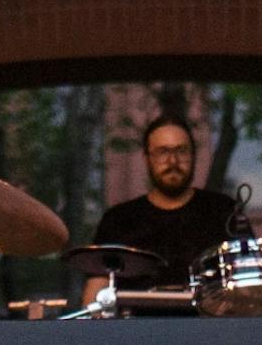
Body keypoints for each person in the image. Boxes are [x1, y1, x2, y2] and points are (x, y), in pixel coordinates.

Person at [82, 115, 241, 300]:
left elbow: (250, 281)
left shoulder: (223, 211)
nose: (172, 161)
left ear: (193, 155)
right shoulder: (118, 219)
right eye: (162, 152)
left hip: (211, 325)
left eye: (181, 151)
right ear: (147, 157)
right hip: (136, 327)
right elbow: (96, 293)